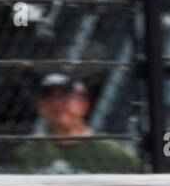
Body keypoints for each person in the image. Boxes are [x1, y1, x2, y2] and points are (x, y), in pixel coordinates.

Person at [14, 74, 143, 174]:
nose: (56, 104)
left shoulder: (108, 151)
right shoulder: (28, 152)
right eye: (50, 99)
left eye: (65, 97)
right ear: (41, 106)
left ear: (83, 105)